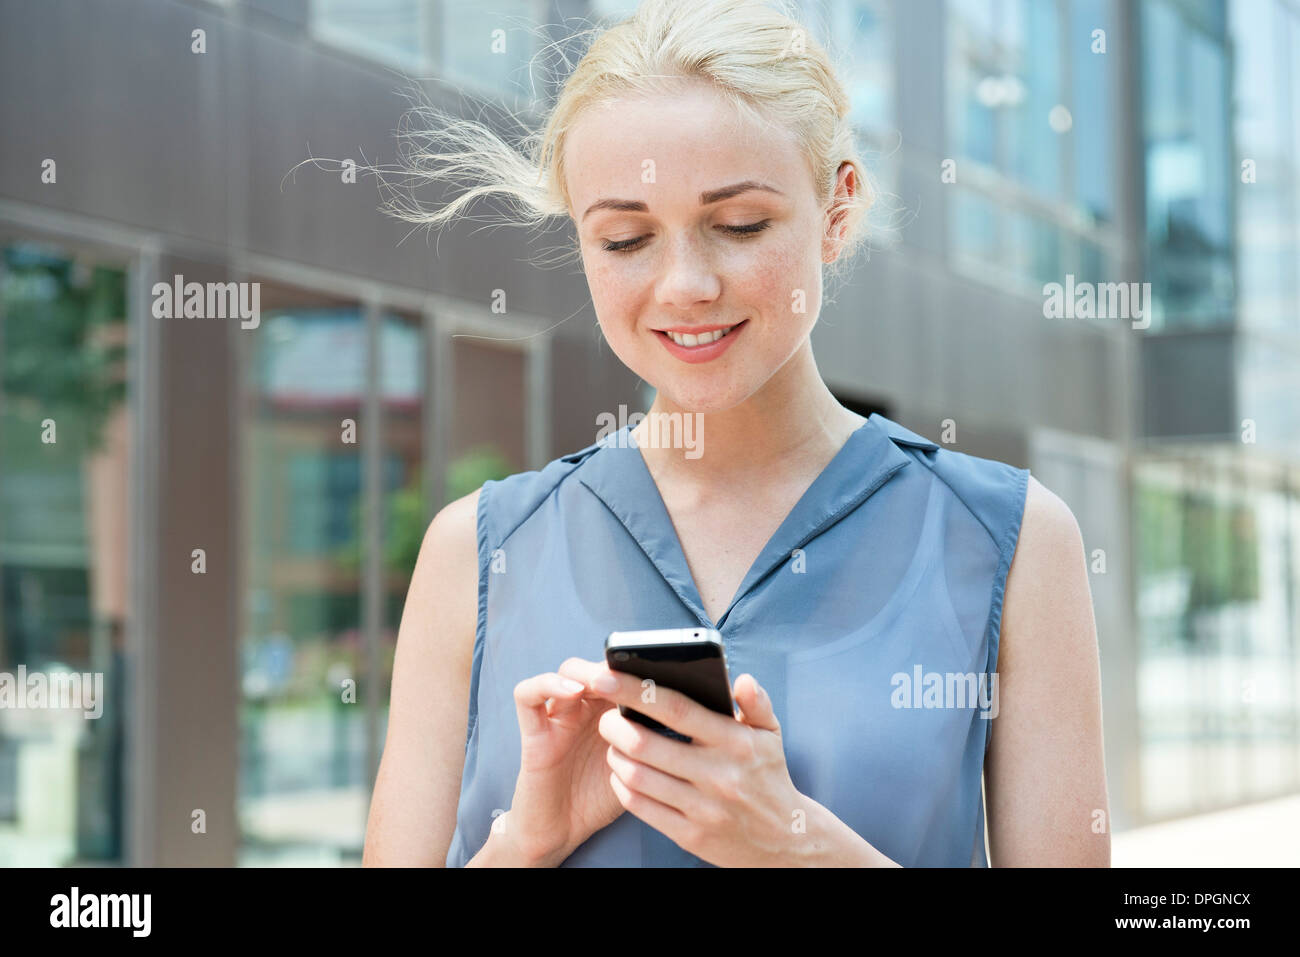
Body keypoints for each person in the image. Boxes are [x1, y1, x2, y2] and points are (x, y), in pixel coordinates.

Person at [363, 0, 1109, 867]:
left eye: (740, 224)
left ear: (836, 210)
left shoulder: (1009, 542)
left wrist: (803, 849)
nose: (685, 284)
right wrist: (526, 841)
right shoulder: (477, 551)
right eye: (625, 237)